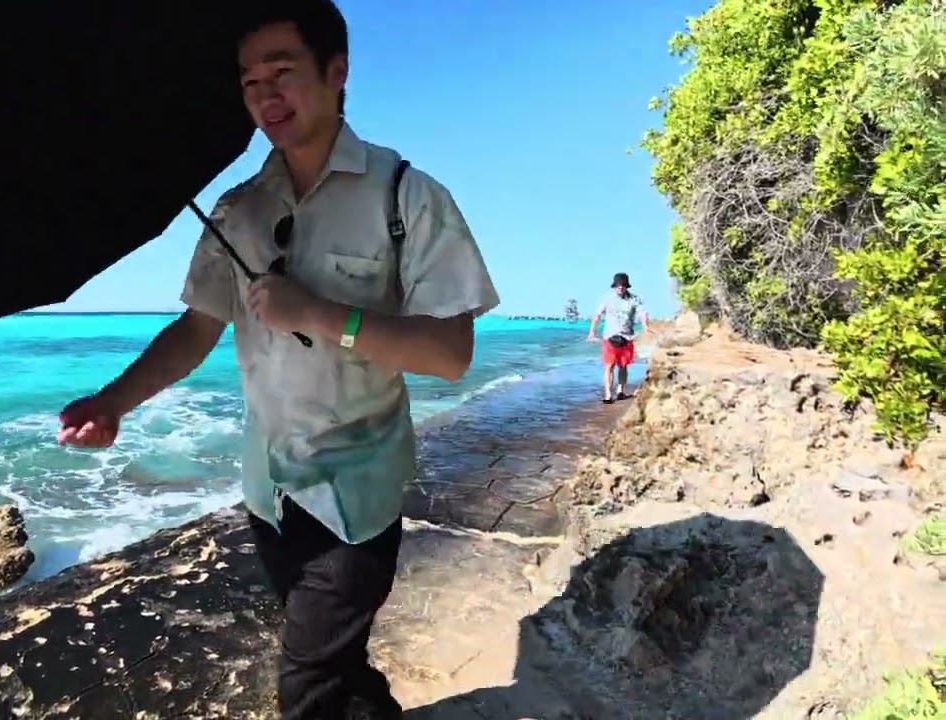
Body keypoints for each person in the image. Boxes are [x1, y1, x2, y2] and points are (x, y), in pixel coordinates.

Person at [56, 2, 499, 718]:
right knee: (335, 659)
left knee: (306, 684)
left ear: (337, 72)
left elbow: (450, 354)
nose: (265, 95)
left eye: (282, 73)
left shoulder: (406, 196)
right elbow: (197, 329)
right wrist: (112, 403)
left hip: (357, 486)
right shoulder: (236, 209)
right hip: (268, 489)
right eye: (248, 80)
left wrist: (321, 314)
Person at [587, 272, 649, 403]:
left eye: (623, 285)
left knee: (623, 365)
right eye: (618, 285)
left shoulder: (634, 299)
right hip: (610, 337)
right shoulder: (607, 299)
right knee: (609, 365)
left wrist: (645, 326)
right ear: (615, 286)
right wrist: (592, 331)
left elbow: (643, 313)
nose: (621, 287)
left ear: (627, 286)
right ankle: (608, 395)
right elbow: (598, 315)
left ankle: (621, 390)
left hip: (626, 337)